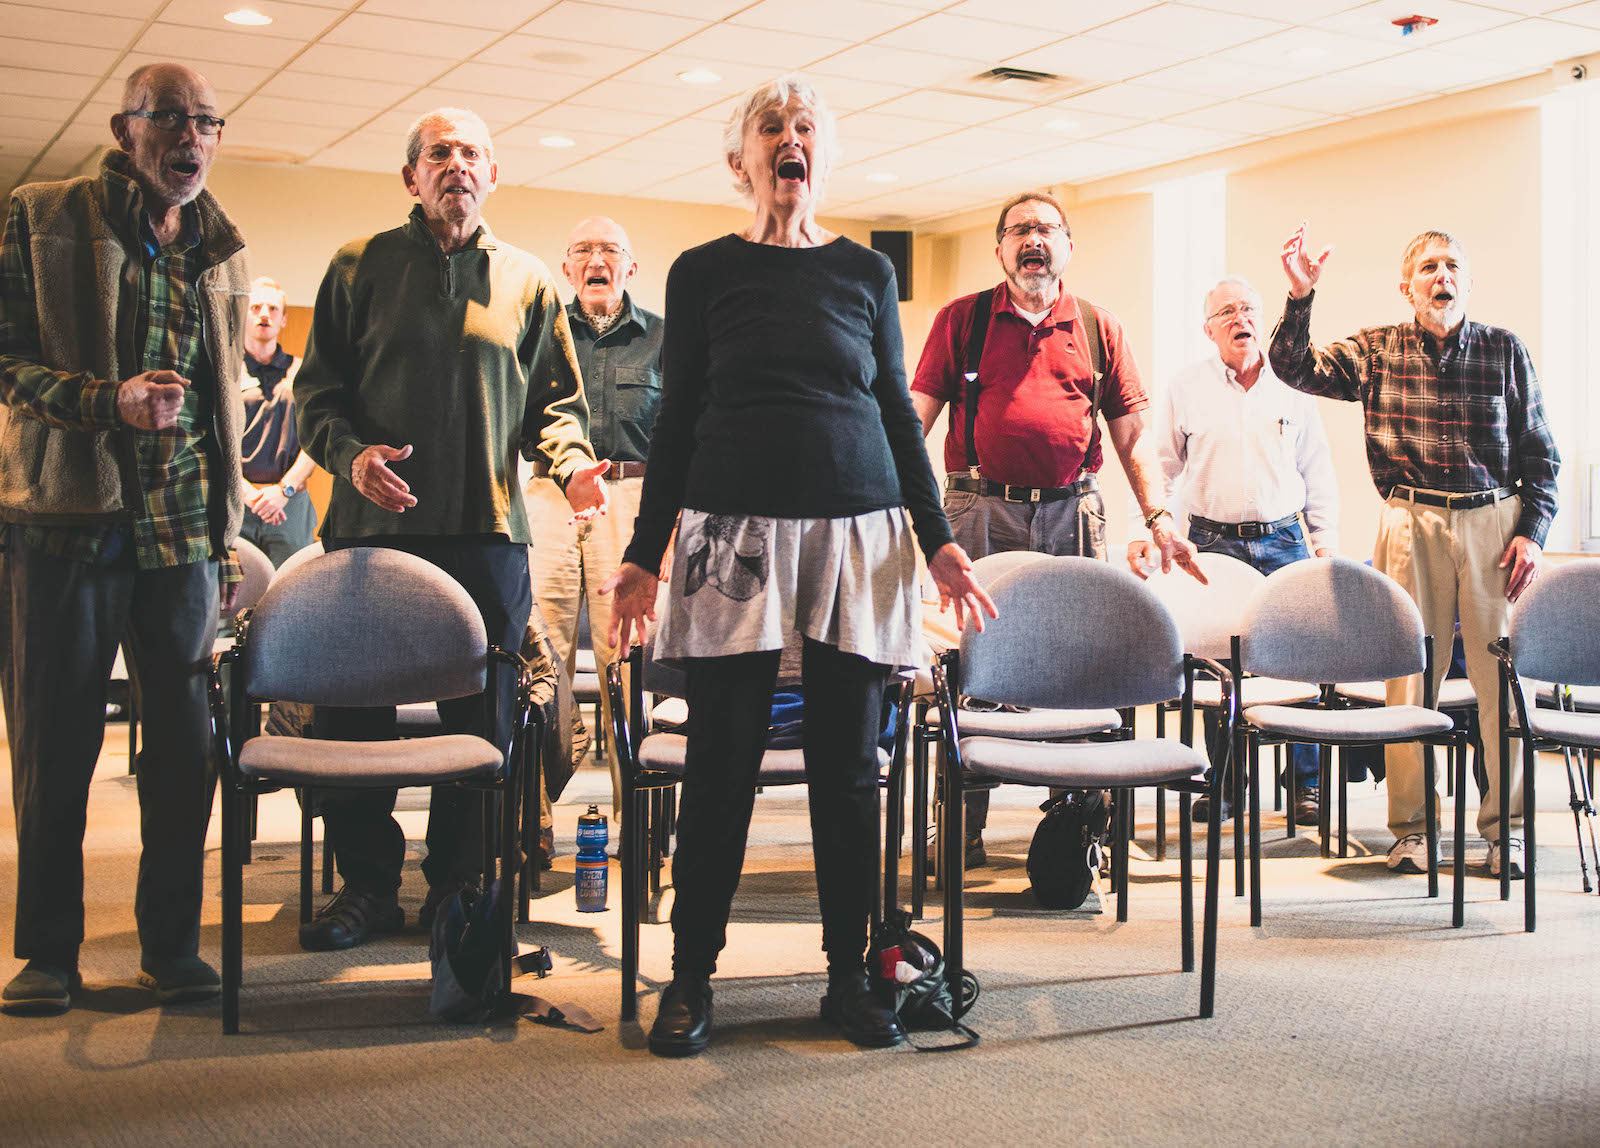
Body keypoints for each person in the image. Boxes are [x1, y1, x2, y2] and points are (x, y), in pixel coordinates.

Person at [603, 74, 994, 1058]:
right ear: (743, 161)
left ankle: (849, 978)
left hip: (859, 532)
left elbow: (899, 415)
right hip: (729, 529)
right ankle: (691, 981)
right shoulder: (701, 271)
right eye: (771, 127)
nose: (790, 140)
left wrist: (937, 538)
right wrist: (645, 553)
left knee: (847, 769)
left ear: (822, 153)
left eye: (805, 126)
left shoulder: (864, 273)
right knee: (721, 760)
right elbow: (680, 414)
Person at [293, 107, 609, 951]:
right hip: (370, 537)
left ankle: (459, 886)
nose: (456, 166)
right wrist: (352, 456)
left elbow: (555, 407)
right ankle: (364, 887)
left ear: (493, 177)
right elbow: (315, 398)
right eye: (439, 153)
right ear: (412, 178)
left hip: (486, 534)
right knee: (353, 718)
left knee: (481, 721)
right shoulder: (357, 267)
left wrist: (572, 463)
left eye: (473, 153)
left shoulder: (531, 281)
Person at [0, 62, 248, 1014]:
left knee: (185, 751)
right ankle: (50, 953)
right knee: (56, 742)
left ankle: (171, 944)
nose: (192, 138)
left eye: (209, 123)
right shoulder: (44, 214)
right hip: (67, 525)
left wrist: (226, 541)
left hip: (183, 534)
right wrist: (107, 402)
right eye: (172, 119)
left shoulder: (220, 248)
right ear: (124, 128)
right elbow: (9, 358)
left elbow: (222, 406)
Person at [910, 189, 1205, 865]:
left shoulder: (1101, 327)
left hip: (1075, 512)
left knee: (1078, 666)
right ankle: (959, 824)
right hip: (980, 510)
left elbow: (1133, 440)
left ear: (1068, 246)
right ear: (1000, 249)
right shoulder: (964, 320)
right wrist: (923, 527)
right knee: (973, 668)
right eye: (1019, 230)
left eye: (1046, 228)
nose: (1033, 239)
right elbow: (910, 423)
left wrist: (1159, 518)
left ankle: (1076, 823)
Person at [1270, 223, 1559, 879]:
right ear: (1407, 286)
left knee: (1502, 685)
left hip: (1493, 524)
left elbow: (1542, 455)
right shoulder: (1377, 350)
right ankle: (1413, 830)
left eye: (1452, 265)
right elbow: (1294, 369)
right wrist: (1300, 297)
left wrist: (1532, 534)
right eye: (1428, 267)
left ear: (1468, 281)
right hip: (1410, 519)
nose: (1441, 276)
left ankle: (1503, 830)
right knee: (1409, 680)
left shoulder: (1504, 351)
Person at [1131, 275, 1340, 825]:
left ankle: (1305, 784)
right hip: (1210, 542)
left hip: (1285, 540)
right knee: (1215, 667)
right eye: (1226, 312)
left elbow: (1316, 468)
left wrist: (1324, 541)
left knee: (1298, 661)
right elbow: (1162, 469)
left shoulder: (1294, 382)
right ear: (1208, 330)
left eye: (1248, 307)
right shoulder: (1186, 386)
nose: (1239, 318)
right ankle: (1225, 783)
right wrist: (1152, 531)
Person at [523, 215, 663, 843]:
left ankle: (640, 815)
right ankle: (533, 815)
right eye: (583, 250)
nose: (596, 259)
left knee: (627, 658)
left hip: (633, 497)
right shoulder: (541, 331)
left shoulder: (665, 337)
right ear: (567, 267)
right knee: (538, 655)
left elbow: (687, 429)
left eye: (610, 248)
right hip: (549, 494)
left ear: (630, 267)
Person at [238, 276, 320, 566]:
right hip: (236, 503)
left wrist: (283, 490)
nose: (264, 314)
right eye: (256, 307)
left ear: (284, 318)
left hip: (290, 503)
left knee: (291, 597)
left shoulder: (302, 372)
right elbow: (213, 439)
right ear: (243, 314)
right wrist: (246, 492)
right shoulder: (226, 372)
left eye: (273, 309)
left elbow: (316, 438)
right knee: (231, 599)